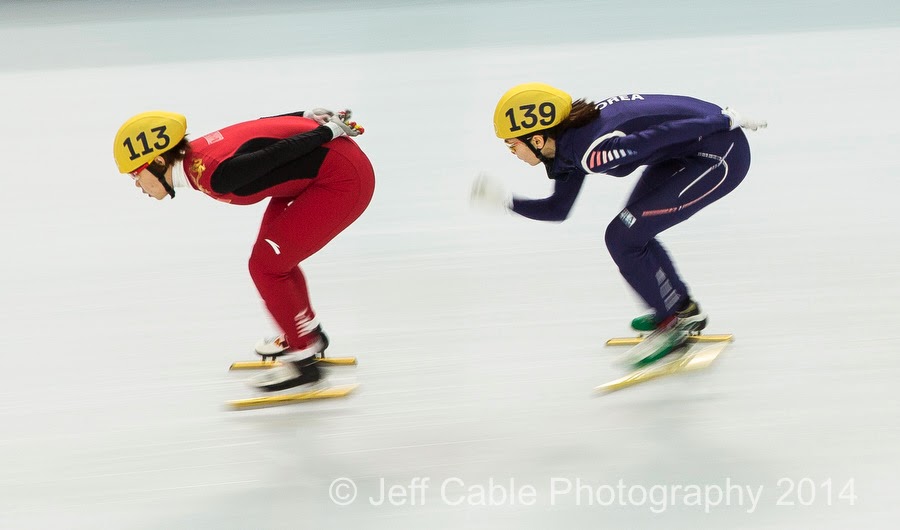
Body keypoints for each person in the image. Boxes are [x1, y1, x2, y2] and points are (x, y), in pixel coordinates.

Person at [471, 83, 766, 367]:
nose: (513, 154)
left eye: (512, 147)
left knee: (623, 236)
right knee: (632, 232)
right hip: (688, 150)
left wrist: (724, 120)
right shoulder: (567, 142)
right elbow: (558, 209)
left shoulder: (591, 152)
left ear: (536, 140)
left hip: (720, 155)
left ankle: (669, 327)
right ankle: (679, 309)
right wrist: (506, 201)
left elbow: (658, 136)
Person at [113, 108, 374, 390]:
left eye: (135, 175)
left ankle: (304, 361)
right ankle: (307, 333)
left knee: (266, 267)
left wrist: (326, 131)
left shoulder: (216, 175)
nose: (138, 185)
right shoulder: (197, 155)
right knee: (273, 261)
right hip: (316, 175)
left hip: (341, 180)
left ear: (160, 161)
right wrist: (305, 113)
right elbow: (257, 126)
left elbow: (277, 154)